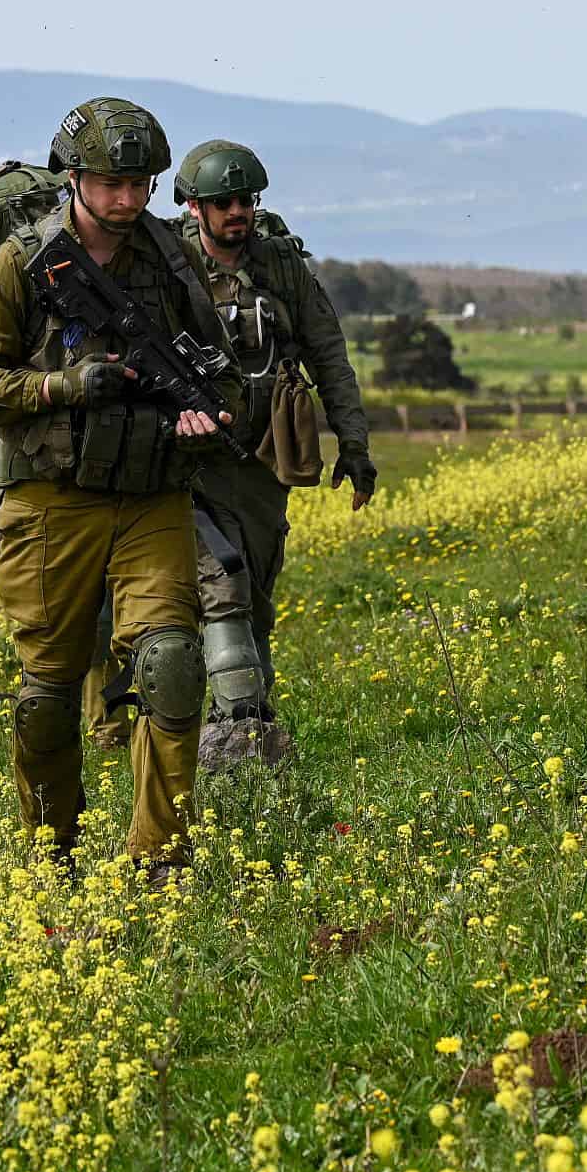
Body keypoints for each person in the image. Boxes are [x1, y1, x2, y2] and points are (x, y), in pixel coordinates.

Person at [0, 96, 242, 879]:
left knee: (174, 663)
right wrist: (63, 387)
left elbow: (219, 381)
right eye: (112, 183)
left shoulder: (169, 259)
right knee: (46, 697)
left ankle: (159, 860)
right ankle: (55, 852)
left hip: (150, 494)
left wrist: (202, 416)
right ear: (73, 177)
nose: (127, 199)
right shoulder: (22, 262)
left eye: (142, 183)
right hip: (51, 498)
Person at [173, 139, 376, 768]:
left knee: (256, 595)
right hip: (192, 460)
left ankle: (250, 717)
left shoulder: (282, 267)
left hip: (265, 460)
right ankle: (235, 736)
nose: (238, 211)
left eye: (246, 200)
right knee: (221, 588)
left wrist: (356, 445)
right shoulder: (167, 267)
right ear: (197, 207)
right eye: (223, 202)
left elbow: (329, 355)